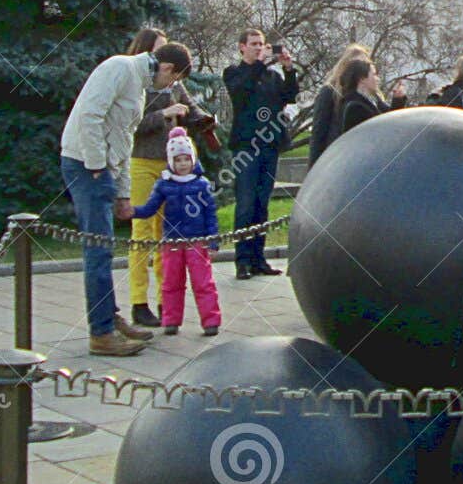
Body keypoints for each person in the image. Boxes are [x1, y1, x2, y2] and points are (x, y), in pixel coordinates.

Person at [60, 40, 192, 356]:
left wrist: (122, 192)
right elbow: (90, 116)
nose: (170, 87)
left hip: (102, 167)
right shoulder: (120, 68)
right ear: (167, 68)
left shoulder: (139, 85)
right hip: (85, 164)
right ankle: (101, 333)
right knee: (98, 249)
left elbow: (123, 140)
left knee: (102, 248)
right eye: (173, 80)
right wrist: (94, 164)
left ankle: (107, 317)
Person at [127, 71, 215, 327]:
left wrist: (203, 119)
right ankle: (138, 302)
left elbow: (191, 108)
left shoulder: (175, 85)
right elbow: (132, 125)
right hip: (143, 161)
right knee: (142, 232)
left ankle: (164, 301)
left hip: (171, 166)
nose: (172, 72)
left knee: (167, 234)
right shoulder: (138, 84)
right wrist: (162, 114)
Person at [222, 28, 298, 281]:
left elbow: (289, 96)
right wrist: (259, 64)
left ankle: (258, 258)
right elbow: (240, 93)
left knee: (261, 204)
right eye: (253, 44)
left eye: (261, 44)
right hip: (246, 146)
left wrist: (288, 70)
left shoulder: (271, 76)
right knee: (245, 203)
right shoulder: (234, 73)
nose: (258, 48)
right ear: (242, 47)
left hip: (269, 145)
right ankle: (242, 260)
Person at [133, 128, 223, 337]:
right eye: (178, 159)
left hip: (198, 241)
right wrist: (133, 212)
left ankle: (211, 320)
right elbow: (150, 208)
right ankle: (171, 319)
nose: (183, 164)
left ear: (193, 159)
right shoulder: (163, 185)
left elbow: (210, 214)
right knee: (171, 282)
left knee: (203, 283)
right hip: (172, 242)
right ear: (171, 161)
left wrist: (213, 240)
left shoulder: (201, 185)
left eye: (186, 159)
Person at [309, 44, 407, 165]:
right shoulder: (330, 91)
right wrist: (314, 167)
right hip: (336, 153)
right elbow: (319, 132)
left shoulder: (371, 95)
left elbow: (386, 118)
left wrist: (398, 100)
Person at [336, 56, 404, 136]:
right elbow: (384, 129)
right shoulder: (355, 108)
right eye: (374, 75)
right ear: (362, 78)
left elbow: (390, 118)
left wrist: (398, 100)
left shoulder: (374, 101)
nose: (378, 79)